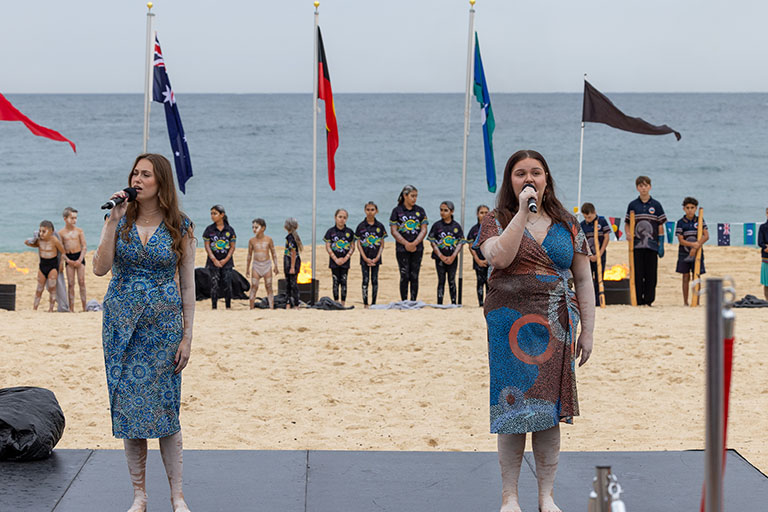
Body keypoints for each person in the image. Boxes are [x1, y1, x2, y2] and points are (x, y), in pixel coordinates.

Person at [474, 150, 594, 512]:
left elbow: (585, 280)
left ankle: (546, 496)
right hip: (508, 325)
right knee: (512, 410)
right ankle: (509, 497)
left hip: (555, 326)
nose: (529, 179)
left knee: (547, 411)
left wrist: (588, 330)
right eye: (520, 173)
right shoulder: (495, 220)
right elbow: (498, 258)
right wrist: (521, 216)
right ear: (511, 181)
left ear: (547, 178)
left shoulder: (568, 223)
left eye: (536, 173)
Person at [92, 153, 195, 512]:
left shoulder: (181, 226)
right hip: (121, 327)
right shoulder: (118, 221)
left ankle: (177, 495)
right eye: (134, 173)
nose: (137, 179)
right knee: (130, 412)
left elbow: (187, 286)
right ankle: (139, 494)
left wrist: (188, 336)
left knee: (166, 410)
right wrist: (111, 223)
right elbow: (100, 269)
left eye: (146, 174)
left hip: (164, 328)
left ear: (160, 182)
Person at [624, 175, 667, 306]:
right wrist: (627, 233)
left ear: (650, 187)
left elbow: (660, 225)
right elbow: (627, 223)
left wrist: (661, 243)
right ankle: (637, 299)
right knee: (638, 273)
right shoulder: (633, 205)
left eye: (646, 185)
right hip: (636, 245)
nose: (643, 188)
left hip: (652, 245)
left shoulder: (656, 205)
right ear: (637, 188)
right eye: (641, 186)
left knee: (651, 274)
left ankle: (649, 300)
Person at [390, 185, 428, 301]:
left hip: (417, 248)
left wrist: (415, 243)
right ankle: (404, 300)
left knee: (414, 275)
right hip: (402, 249)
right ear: (405, 196)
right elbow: (393, 230)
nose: (414, 199)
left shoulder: (420, 211)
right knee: (404, 274)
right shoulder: (397, 211)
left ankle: (413, 300)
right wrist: (406, 243)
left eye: (416, 196)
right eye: (412, 196)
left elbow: (424, 229)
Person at [427, 201, 465, 305]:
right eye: (441, 210)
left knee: (452, 280)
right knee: (441, 280)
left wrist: (453, 256)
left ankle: (453, 302)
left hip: (452, 258)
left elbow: (460, 243)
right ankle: (440, 302)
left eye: (445, 210)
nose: (443, 212)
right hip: (440, 258)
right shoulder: (437, 226)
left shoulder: (456, 226)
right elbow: (432, 241)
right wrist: (441, 256)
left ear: (452, 211)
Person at [24, 220, 66, 312]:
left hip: (52, 265)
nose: (41, 233)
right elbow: (27, 243)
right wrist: (33, 239)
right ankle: (35, 308)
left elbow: (63, 252)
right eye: (40, 231)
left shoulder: (54, 240)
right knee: (39, 288)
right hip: (43, 265)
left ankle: (51, 309)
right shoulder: (39, 241)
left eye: (44, 231)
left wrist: (61, 264)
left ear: (51, 232)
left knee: (52, 287)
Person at [675, 197, 709, 306]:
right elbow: (681, 240)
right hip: (684, 252)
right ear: (684, 209)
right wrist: (691, 245)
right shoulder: (681, 222)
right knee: (685, 276)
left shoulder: (700, 220)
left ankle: (696, 301)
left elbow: (706, 236)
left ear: (696, 208)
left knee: (697, 276)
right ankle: (685, 301)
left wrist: (696, 246)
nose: (690, 210)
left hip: (698, 252)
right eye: (688, 208)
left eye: (692, 208)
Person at [203, 205, 236, 310]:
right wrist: (214, 259)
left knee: (227, 283)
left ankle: (228, 306)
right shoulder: (209, 229)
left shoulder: (230, 230)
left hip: (227, 261)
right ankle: (214, 307)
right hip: (213, 262)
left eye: (215, 213)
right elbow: (207, 246)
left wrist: (226, 259)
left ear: (222, 215)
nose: (212, 216)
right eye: (211, 213)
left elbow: (232, 247)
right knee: (214, 284)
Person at [355, 201, 387, 307]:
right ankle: (365, 303)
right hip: (364, 257)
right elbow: (358, 244)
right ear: (365, 211)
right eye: (368, 210)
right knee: (365, 280)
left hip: (376, 257)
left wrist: (377, 257)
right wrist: (364, 257)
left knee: (374, 280)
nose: (370, 212)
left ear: (376, 211)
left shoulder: (380, 226)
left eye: (372, 210)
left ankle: (373, 303)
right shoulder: (361, 226)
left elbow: (382, 244)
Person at [579, 202, 611, 303]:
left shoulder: (602, 221)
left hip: (600, 254)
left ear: (594, 212)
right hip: (588, 256)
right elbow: (581, 242)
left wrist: (599, 254)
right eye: (585, 217)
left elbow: (606, 237)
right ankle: (589, 300)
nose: (587, 219)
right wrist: (589, 256)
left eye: (589, 217)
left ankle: (598, 300)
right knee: (588, 279)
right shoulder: (582, 225)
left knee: (599, 277)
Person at [324, 209, 356, 306]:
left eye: (344, 217)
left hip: (345, 261)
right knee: (335, 281)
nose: (342, 219)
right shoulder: (330, 231)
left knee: (344, 281)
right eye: (340, 217)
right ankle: (336, 301)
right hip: (334, 261)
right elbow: (328, 246)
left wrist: (345, 258)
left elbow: (352, 247)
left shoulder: (349, 232)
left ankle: (343, 302)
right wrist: (335, 259)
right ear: (335, 217)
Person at [246, 218, 279, 309]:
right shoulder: (251, 241)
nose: (254, 229)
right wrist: (247, 269)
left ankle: (271, 307)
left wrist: (276, 266)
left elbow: (273, 253)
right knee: (254, 286)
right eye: (253, 227)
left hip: (267, 265)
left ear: (263, 228)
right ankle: (251, 307)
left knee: (269, 286)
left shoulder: (269, 240)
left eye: (256, 227)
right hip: (256, 266)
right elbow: (249, 255)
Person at [59, 207, 87, 312]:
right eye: (72, 218)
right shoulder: (61, 233)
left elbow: (84, 246)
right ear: (65, 219)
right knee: (71, 283)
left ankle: (84, 307)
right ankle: (71, 308)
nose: (74, 220)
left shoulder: (79, 231)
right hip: (69, 258)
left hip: (79, 256)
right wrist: (67, 260)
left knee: (82, 282)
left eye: (75, 218)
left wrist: (80, 259)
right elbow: (61, 250)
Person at [467, 205, 490, 306]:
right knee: (480, 282)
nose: (484, 215)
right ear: (477, 214)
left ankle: (489, 304)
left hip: (491, 261)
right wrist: (477, 259)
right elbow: (470, 245)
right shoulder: (474, 230)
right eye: (482, 213)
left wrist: (489, 259)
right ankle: (481, 303)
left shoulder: (492, 229)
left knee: (490, 283)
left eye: (486, 213)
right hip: (478, 261)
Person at [284, 218, 303, 309]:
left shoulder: (291, 238)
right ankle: (288, 303)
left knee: (292, 283)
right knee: (288, 283)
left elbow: (293, 252)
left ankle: (295, 303)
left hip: (291, 262)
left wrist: (292, 266)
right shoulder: (292, 237)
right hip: (290, 261)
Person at [758, 207, 768, 300]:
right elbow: (760, 242)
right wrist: (765, 247)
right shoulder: (763, 227)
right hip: (766, 257)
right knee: (766, 282)